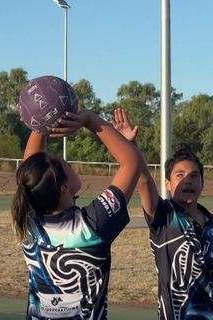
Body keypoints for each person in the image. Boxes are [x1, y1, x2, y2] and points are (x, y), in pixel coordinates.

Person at [12, 109, 143, 320]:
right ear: (64, 186)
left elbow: (31, 170)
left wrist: (41, 120)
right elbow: (131, 163)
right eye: (66, 164)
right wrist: (89, 120)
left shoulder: (27, 222)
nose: (70, 165)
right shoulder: (93, 225)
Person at [112, 108, 213, 320]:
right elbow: (143, 178)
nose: (187, 180)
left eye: (194, 175)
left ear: (202, 182)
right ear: (168, 184)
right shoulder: (164, 216)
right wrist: (130, 145)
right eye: (179, 175)